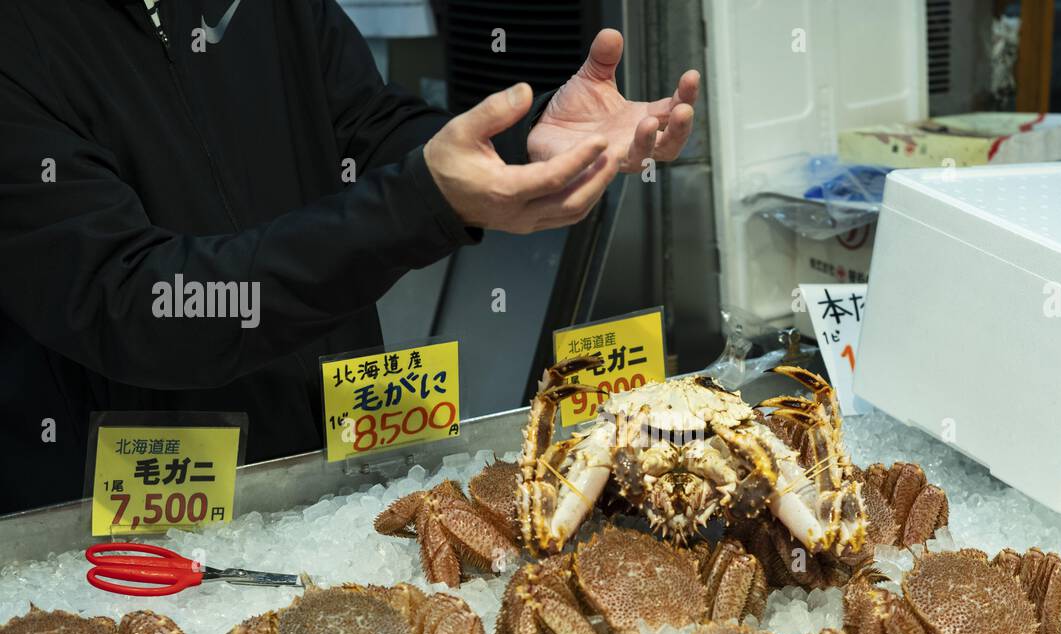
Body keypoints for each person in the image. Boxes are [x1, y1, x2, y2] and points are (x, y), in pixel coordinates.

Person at [0, 1, 699, 514]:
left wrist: (529, 143)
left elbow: (369, 125)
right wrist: (419, 203)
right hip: (126, 520)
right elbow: (134, 302)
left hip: (331, 462)